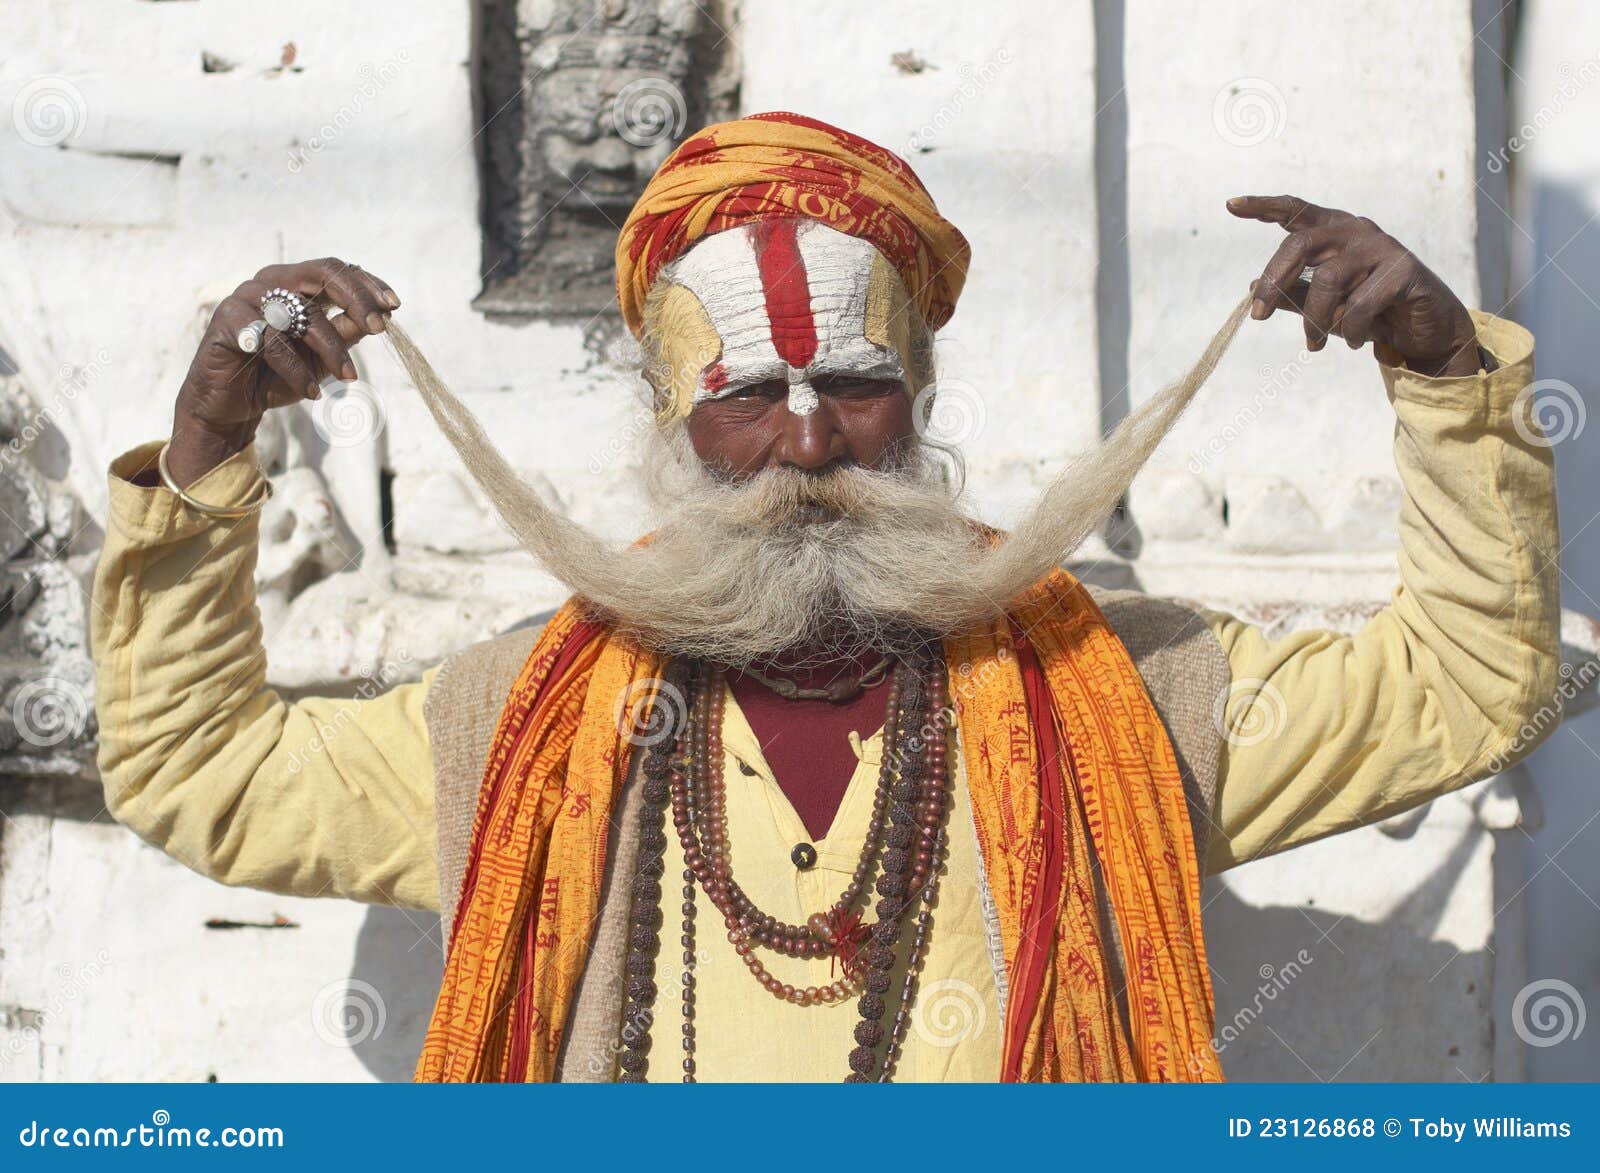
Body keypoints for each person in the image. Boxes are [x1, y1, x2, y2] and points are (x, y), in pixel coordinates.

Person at [92, 112, 1559, 1082]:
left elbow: (1470, 685)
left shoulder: (1128, 696)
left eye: (853, 387)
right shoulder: (515, 729)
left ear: (916, 405)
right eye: (747, 400)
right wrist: (216, 441)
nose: (804, 442)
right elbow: (195, 768)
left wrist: (1438, 373)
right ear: (675, 430)